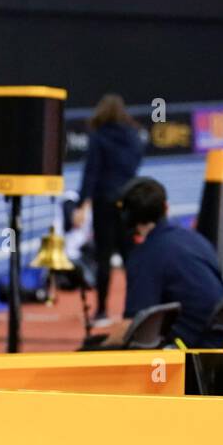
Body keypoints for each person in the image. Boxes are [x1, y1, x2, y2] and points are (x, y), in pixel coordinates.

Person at [111, 177, 223, 349]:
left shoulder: (146, 256)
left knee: (94, 351)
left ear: (127, 216)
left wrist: (95, 347)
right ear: (166, 207)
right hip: (219, 340)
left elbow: (131, 328)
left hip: (190, 350)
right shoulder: (195, 239)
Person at [74, 94, 144, 325]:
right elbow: (135, 164)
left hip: (104, 201)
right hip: (129, 203)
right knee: (131, 258)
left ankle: (102, 310)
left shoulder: (99, 136)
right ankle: (134, 310)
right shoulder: (134, 136)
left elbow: (91, 171)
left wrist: (82, 203)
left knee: (104, 257)